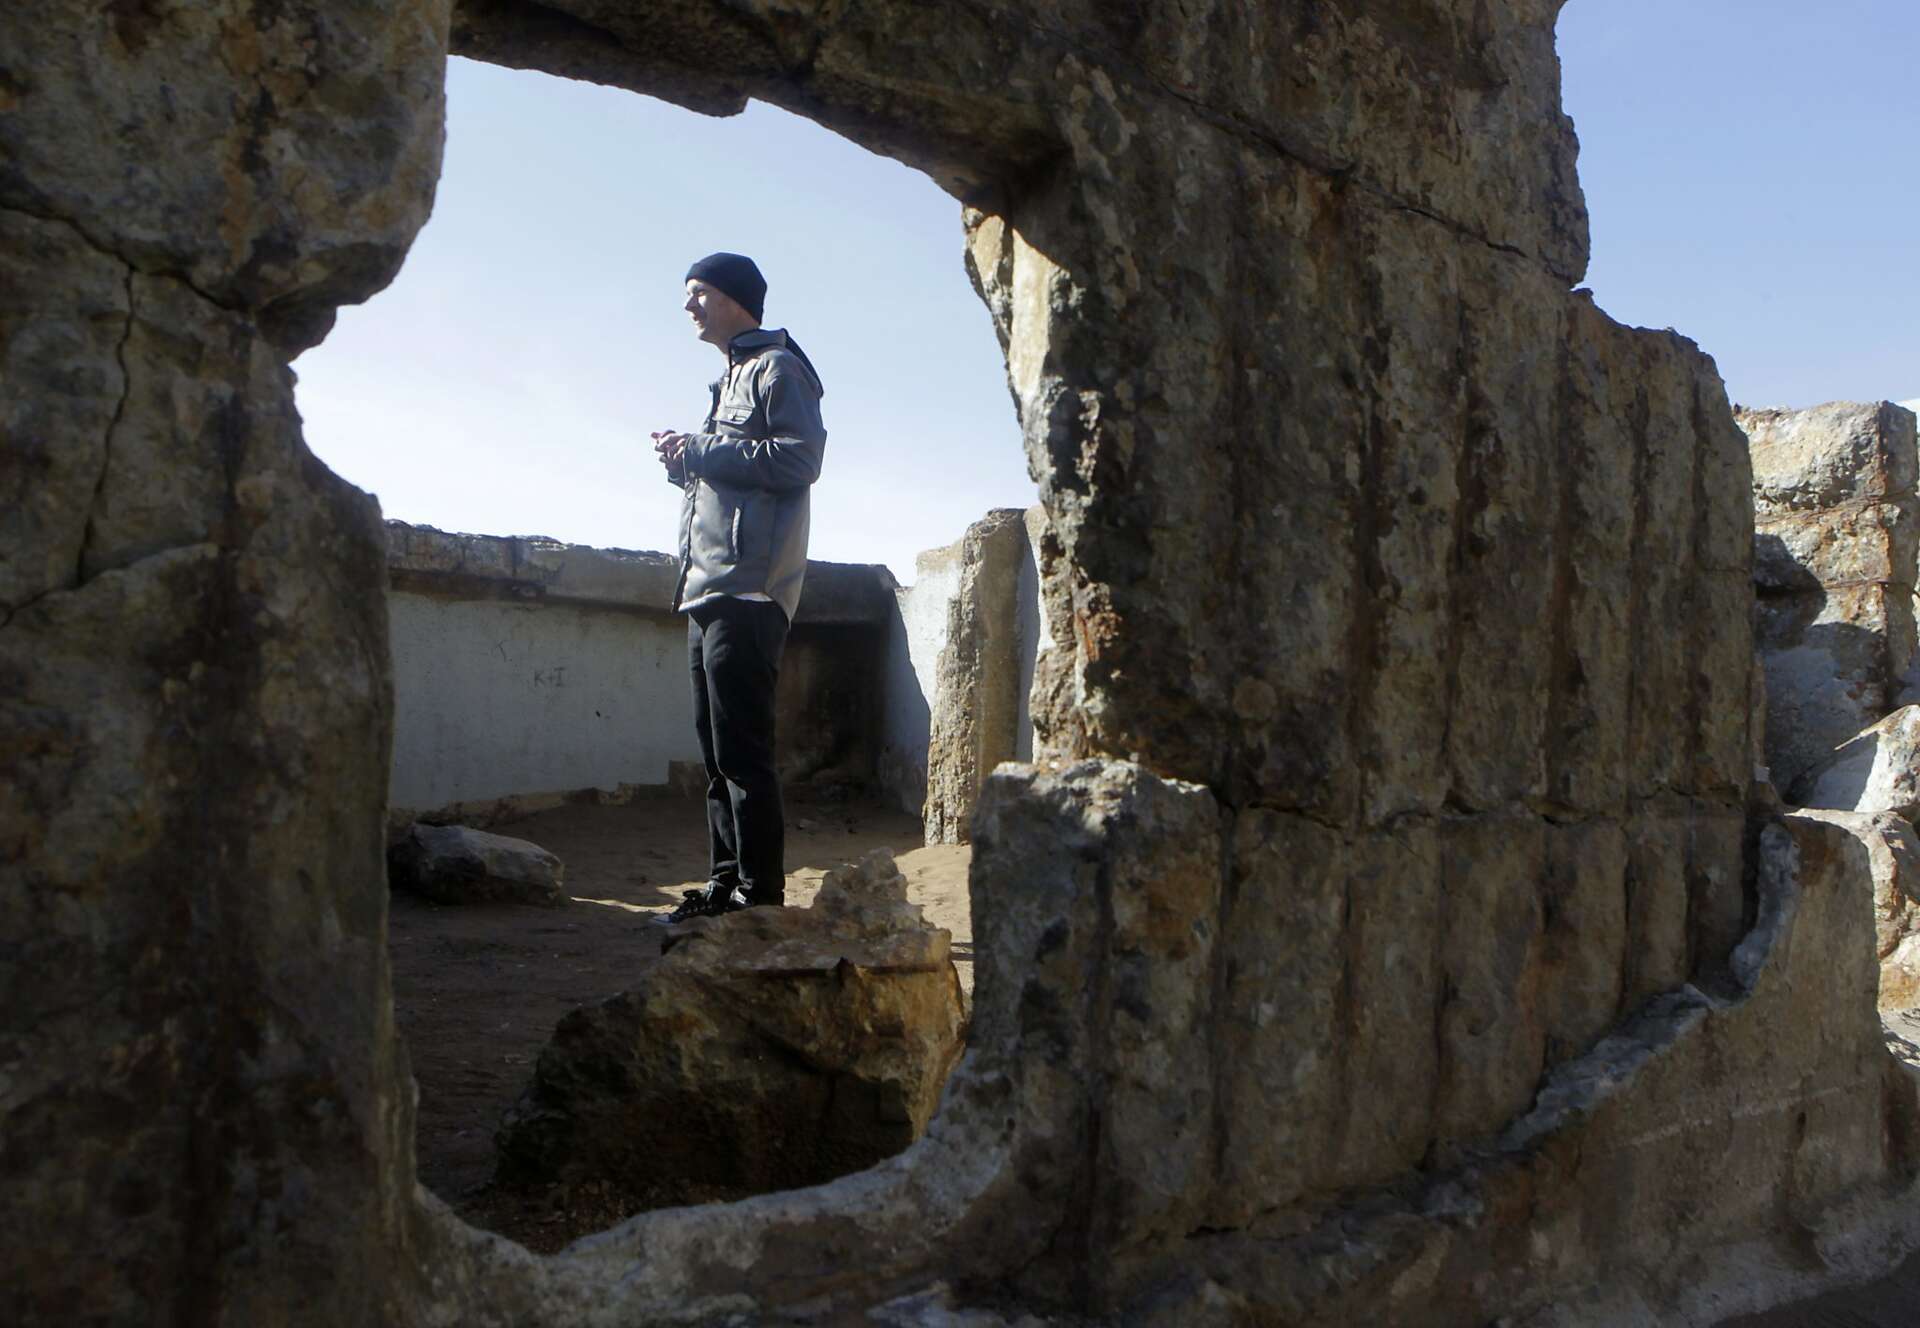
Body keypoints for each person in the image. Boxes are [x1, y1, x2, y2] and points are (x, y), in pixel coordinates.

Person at [651, 253, 826, 923]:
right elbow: (732, 475)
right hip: (709, 588)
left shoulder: (779, 369)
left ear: (734, 299)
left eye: (698, 294)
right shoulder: (729, 378)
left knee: (744, 753)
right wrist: (684, 463)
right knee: (716, 754)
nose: (689, 307)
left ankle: (761, 899)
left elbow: (798, 460)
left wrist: (699, 451)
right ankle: (725, 887)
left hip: (750, 591)